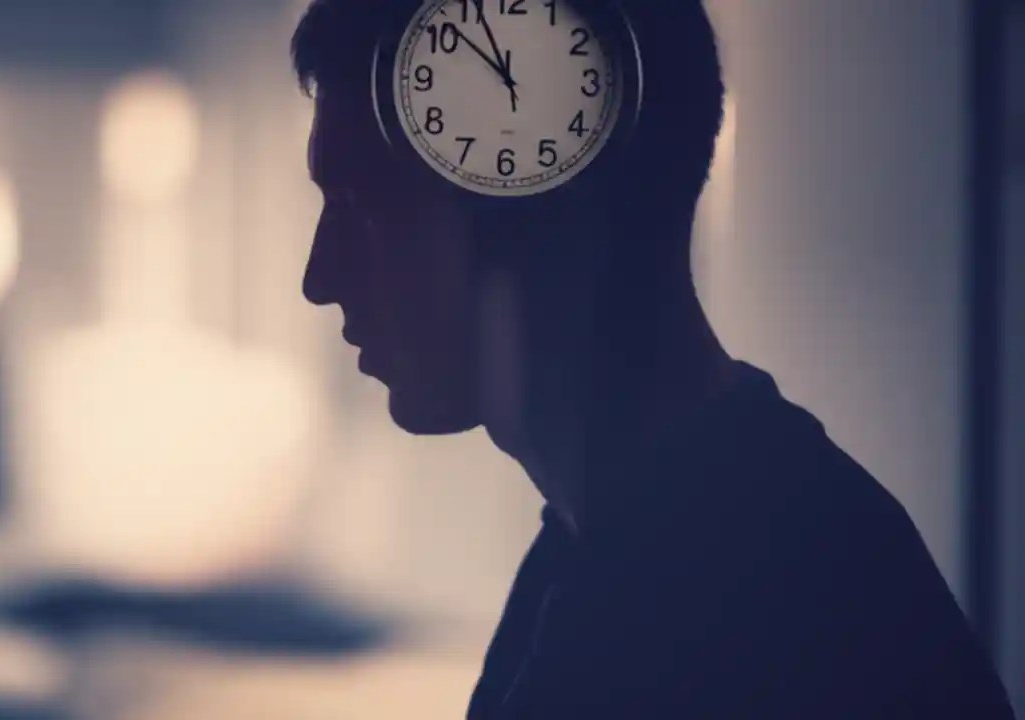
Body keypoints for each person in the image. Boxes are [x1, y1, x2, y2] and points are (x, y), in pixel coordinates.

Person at [290, 0, 1016, 717]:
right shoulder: (632, 549)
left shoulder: (746, 605)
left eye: (365, 204)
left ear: (532, 215)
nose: (320, 278)